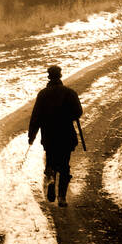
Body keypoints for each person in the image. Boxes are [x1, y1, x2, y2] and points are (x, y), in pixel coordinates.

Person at [28, 65, 83, 206]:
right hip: (66, 135)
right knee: (65, 165)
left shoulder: (43, 94)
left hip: (49, 136)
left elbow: (36, 117)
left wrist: (32, 136)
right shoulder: (70, 93)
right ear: (60, 76)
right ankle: (62, 198)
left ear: (49, 76)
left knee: (51, 160)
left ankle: (51, 177)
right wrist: (67, 115)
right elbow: (78, 112)